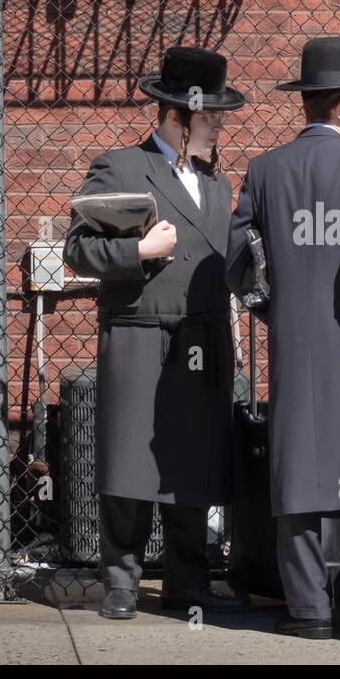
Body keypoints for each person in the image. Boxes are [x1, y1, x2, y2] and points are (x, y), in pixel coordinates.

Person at [226, 36, 340, 639]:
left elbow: (237, 261)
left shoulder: (264, 168)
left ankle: (305, 607)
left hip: (291, 341)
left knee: (297, 464)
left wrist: (274, 310)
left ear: (308, 102)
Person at [64, 46, 248, 621]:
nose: (219, 126)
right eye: (210, 116)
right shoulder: (120, 166)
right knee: (128, 460)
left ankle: (187, 581)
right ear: (176, 114)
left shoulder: (215, 182)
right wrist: (139, 251)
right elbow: (77, 248)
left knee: (191, 460)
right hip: (140, 331)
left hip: (202, 336)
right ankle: (120, 580)